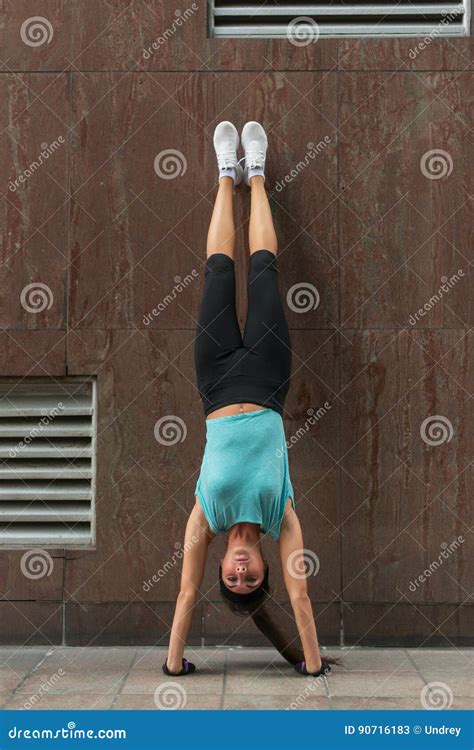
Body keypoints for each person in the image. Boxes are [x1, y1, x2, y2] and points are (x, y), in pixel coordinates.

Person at [163, 122, 334, 678]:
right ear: (264, 566)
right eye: (251, 579)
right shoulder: (280, 516)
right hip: (266, 380)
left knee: (217, 271)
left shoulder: (205, 519)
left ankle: (224, 175)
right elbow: (301, 597)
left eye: (232, 579)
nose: (240, 574)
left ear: (224, 568)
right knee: (262, 270)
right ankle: (254, 175)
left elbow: (186, 596)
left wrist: (173, 667)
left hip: (213, 383)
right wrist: (310, 666)